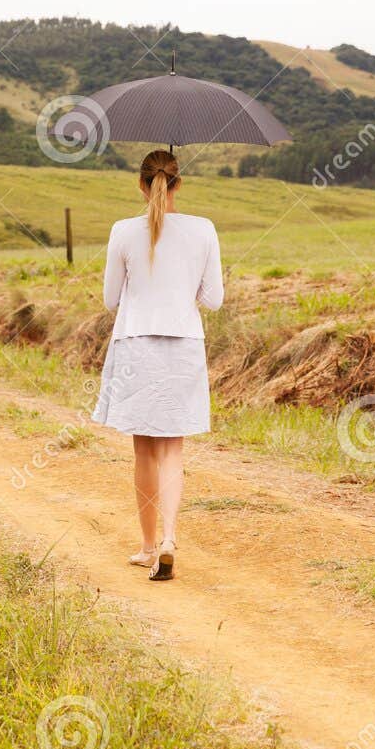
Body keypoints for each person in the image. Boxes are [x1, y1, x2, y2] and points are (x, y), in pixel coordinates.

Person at [91, 150, 223, 581]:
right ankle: (169, 539)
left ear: (141, 184)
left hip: (136, 346)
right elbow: (214, 299)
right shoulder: (203, 229)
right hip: (183, 344)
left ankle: (148, 547)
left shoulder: (122, 231)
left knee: (144, 450)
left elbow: (111, 300)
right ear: (178, 183)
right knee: (172, 449)